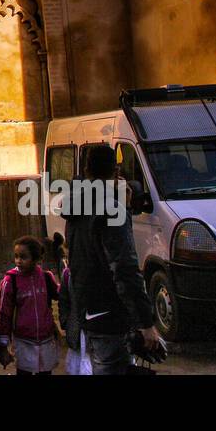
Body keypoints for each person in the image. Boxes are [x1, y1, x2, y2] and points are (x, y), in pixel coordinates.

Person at [65, 146, 159, 375]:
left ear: (86, 170)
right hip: (111, 313)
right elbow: (124, 268)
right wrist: (145, 322)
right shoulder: (112, 210)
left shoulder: (77, 209)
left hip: (89, 309)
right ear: (116, 172)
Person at [0, 235, 61, 375]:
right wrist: (3, 343)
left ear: (37, 259)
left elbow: (60, 294)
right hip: (24, 341)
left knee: (46, 372)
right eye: (16, 256)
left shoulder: (46, 277)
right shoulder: (10, 280)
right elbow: (4, 312)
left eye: (23, 257)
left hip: (46, 339)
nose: (18, 261)